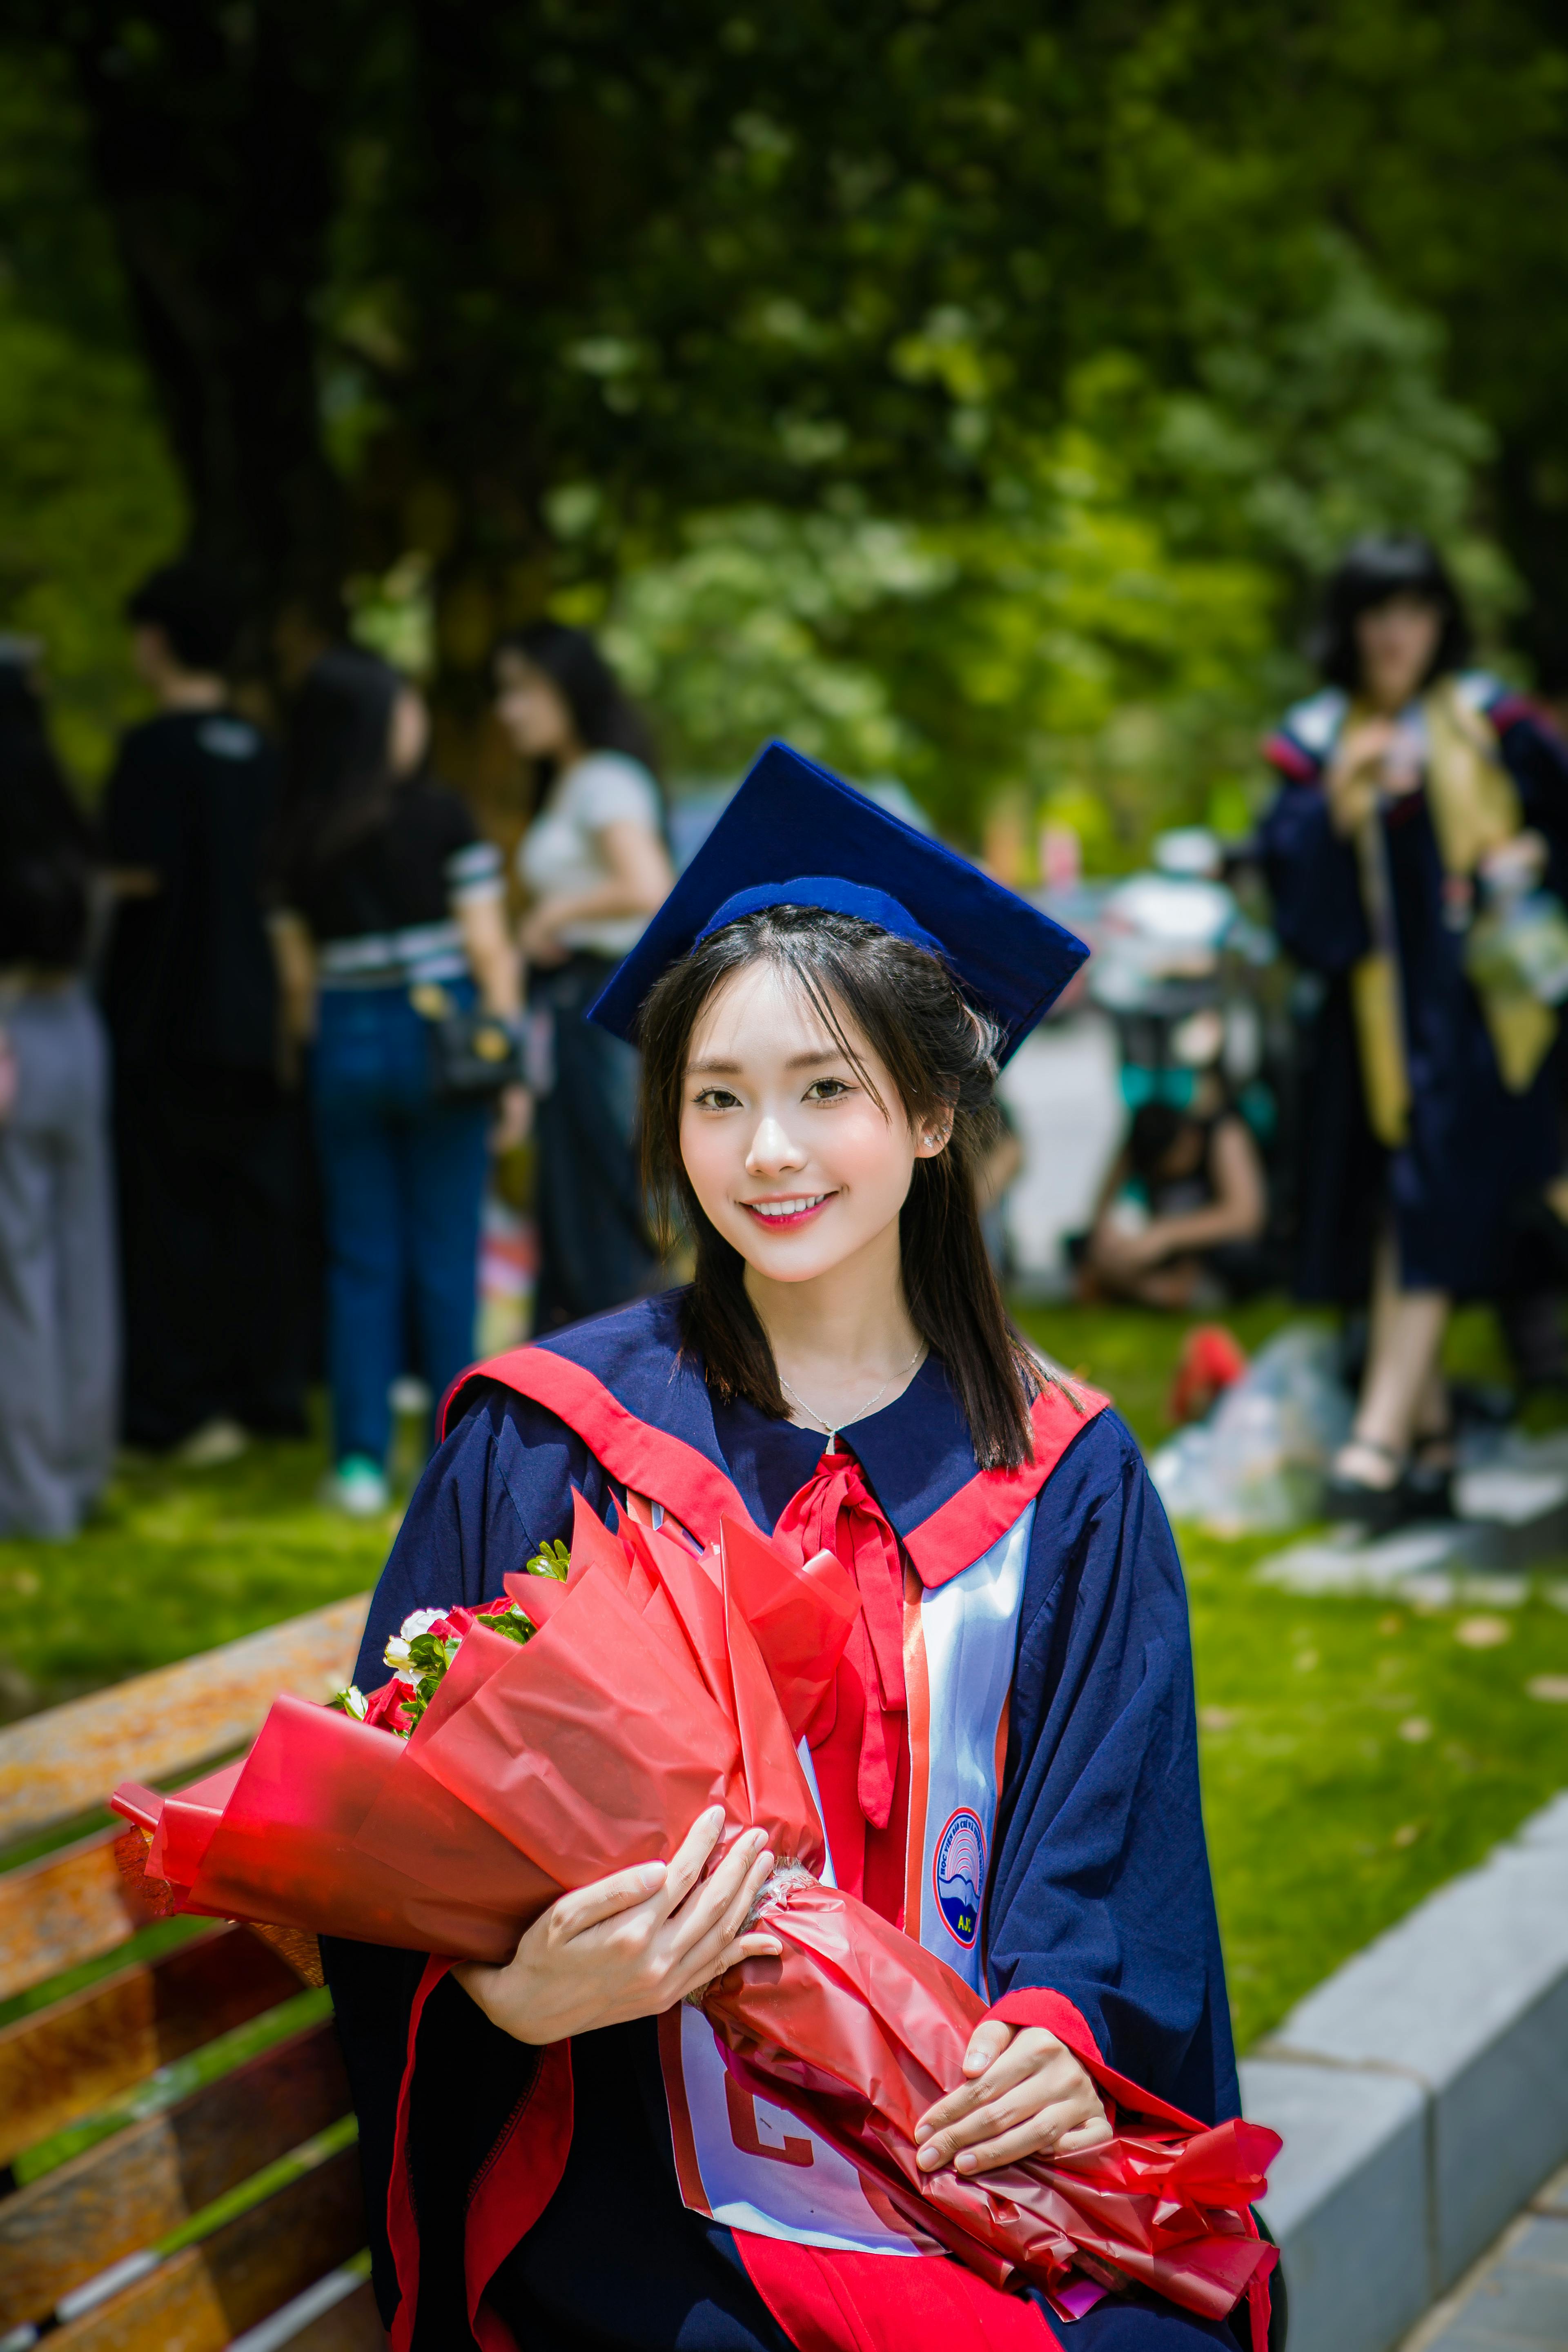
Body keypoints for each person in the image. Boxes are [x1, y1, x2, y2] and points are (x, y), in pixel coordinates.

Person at [324, 744, 1252, 2352]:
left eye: (827, 1090)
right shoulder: (549, 1441)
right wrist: (516, 1997)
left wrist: (1053, 2026)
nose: (770, 1153)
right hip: (638, 2185)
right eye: (719, 1099)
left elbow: (1116, 1855)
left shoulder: (1069, 1476)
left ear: (937, 1111)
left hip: (984, 2159)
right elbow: (392, 1849)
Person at [1261, 534, 1568, 1527]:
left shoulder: (1489, 725)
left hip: (1497, 1024)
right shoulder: (1320, 743)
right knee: (1394, 1212)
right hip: (1371, 1037)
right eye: (1374, 613)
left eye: (1412, 610)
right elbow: (1301, 914)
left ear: (1439, 619)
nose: (1394, 633)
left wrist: (1526, 852)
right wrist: (1340, 806)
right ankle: (1425, 1451)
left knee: (1442, 1200)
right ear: (1348, 627)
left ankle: (1382, 1437)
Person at [273, 648, 522, 1516]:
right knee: (448, 1253)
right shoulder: (440, 815)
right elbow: (490, 948)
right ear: (384, 724)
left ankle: (356, 1464)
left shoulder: (296, 827)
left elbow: (297, 982)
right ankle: (451, 1460)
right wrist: (509, 1066)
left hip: (343, 1040)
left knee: (360, 1261)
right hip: (439, 1041)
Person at [99, 560, 305, 1461]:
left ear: (155, 640)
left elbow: (134, 875)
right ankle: (264, 1394)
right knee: (254, 1213)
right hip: (256, 1019)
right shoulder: (266, 754)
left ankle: (178, 1410)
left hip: (162, 1017)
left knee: (166, 1218)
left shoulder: (149, 751)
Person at [494, 622, 673, 1327]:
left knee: (604, 1193)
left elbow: (648, 884)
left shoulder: (604, 779)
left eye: (523, 691)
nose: (509, 711)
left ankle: (637, 1364)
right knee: (571, 1197)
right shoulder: (573, 781)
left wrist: (552, 915)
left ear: (569, 691)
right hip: (573, 1008)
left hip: (604, 1005)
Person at [0, 648, 118, 1536]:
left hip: (9, 1031)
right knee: (83, 1255)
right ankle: (78, 1475)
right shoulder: (61, 806)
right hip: (75, 1030)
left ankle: (32, 1496)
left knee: (19, 1274)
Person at [1084, 1071, 1269, 1311]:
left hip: (1215, 1253)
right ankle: (1152, 1289)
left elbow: (1246, 1218)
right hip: (1162, 1255)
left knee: (1239, 1257)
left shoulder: (1223, 1133)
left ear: (1188, 1137)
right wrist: (1107, 1240)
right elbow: (1101, 1209)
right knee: (1086, 1247)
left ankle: (1154, 1290)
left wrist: (1165, 1235)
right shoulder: (1141, 1143)